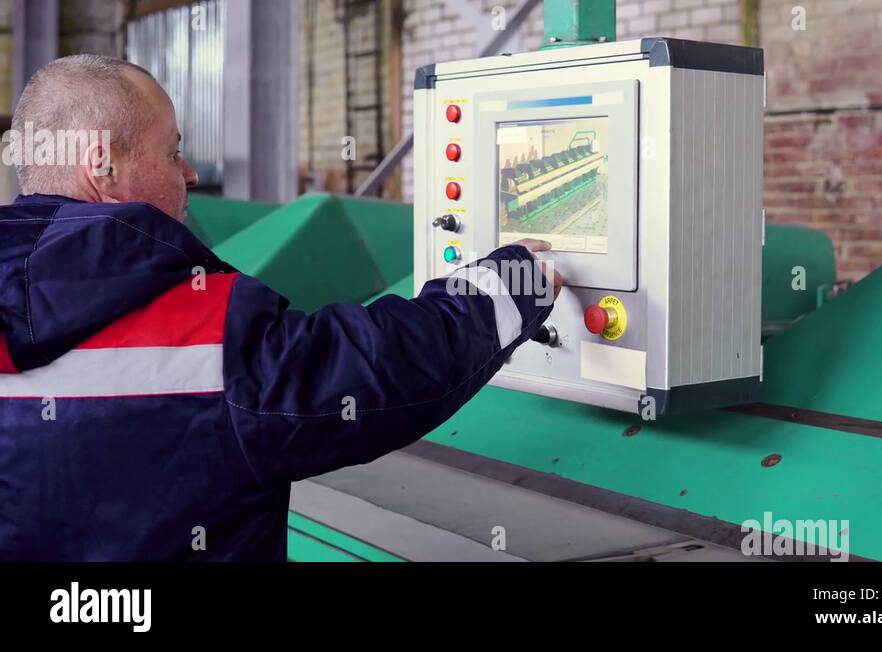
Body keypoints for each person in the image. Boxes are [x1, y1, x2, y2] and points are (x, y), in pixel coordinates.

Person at [0, 54, 561, 561]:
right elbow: (378, 370)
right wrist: (509, 285)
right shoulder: (205, 329)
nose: (189, 172)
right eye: (172, 151)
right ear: (104, 168)